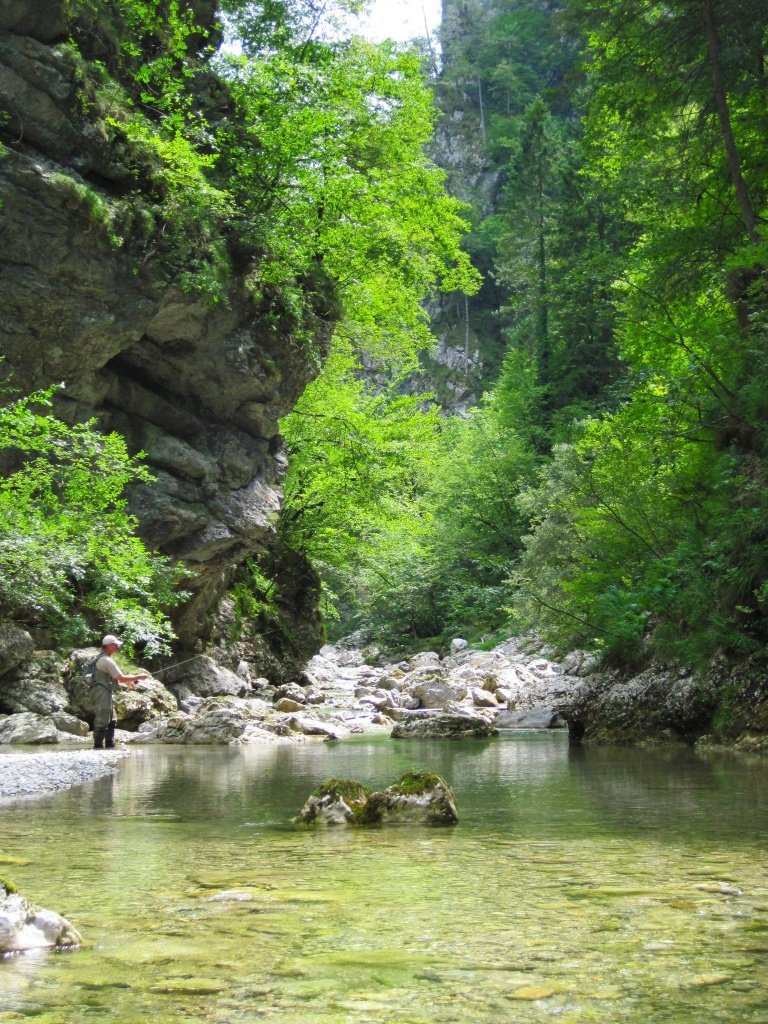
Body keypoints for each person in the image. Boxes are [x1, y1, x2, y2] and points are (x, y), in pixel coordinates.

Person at [92, 634, 149, 749]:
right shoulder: (106, 660)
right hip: (101, 692)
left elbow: (114, 677)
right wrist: (139, 676)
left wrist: (129, 682)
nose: (117, 647)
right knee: (103, 719)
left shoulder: (103, 658)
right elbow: (121, 677)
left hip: (103, 691)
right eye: (115, 645)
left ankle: (109, 745)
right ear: (109, 646)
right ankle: (97, 747)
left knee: (112, 720)